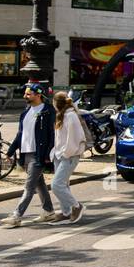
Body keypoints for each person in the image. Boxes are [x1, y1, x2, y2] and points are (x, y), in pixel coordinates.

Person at [1, 83, 59, 228]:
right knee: (39, 184)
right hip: (26, 153)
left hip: (38, 154)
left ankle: (16, 216)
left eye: (28, 94)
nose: (25, 96)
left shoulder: (48, 111)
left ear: (38, 95)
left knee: (29, 186)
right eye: (25, 93)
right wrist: (10, 151)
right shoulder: (26, 112)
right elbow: (20, 134)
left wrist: (47, 154)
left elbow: (52, 135)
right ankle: (49, 211)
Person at [50, 90, 88, 223]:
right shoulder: (61, 114)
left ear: (56, 103)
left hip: (69, 155)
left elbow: (75, 138)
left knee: (56, 185)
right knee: (63, 185)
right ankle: (66, 212)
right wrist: (56, 153)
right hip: (59, 155)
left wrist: (66, 153)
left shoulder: (71, 116)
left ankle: (77, 206)